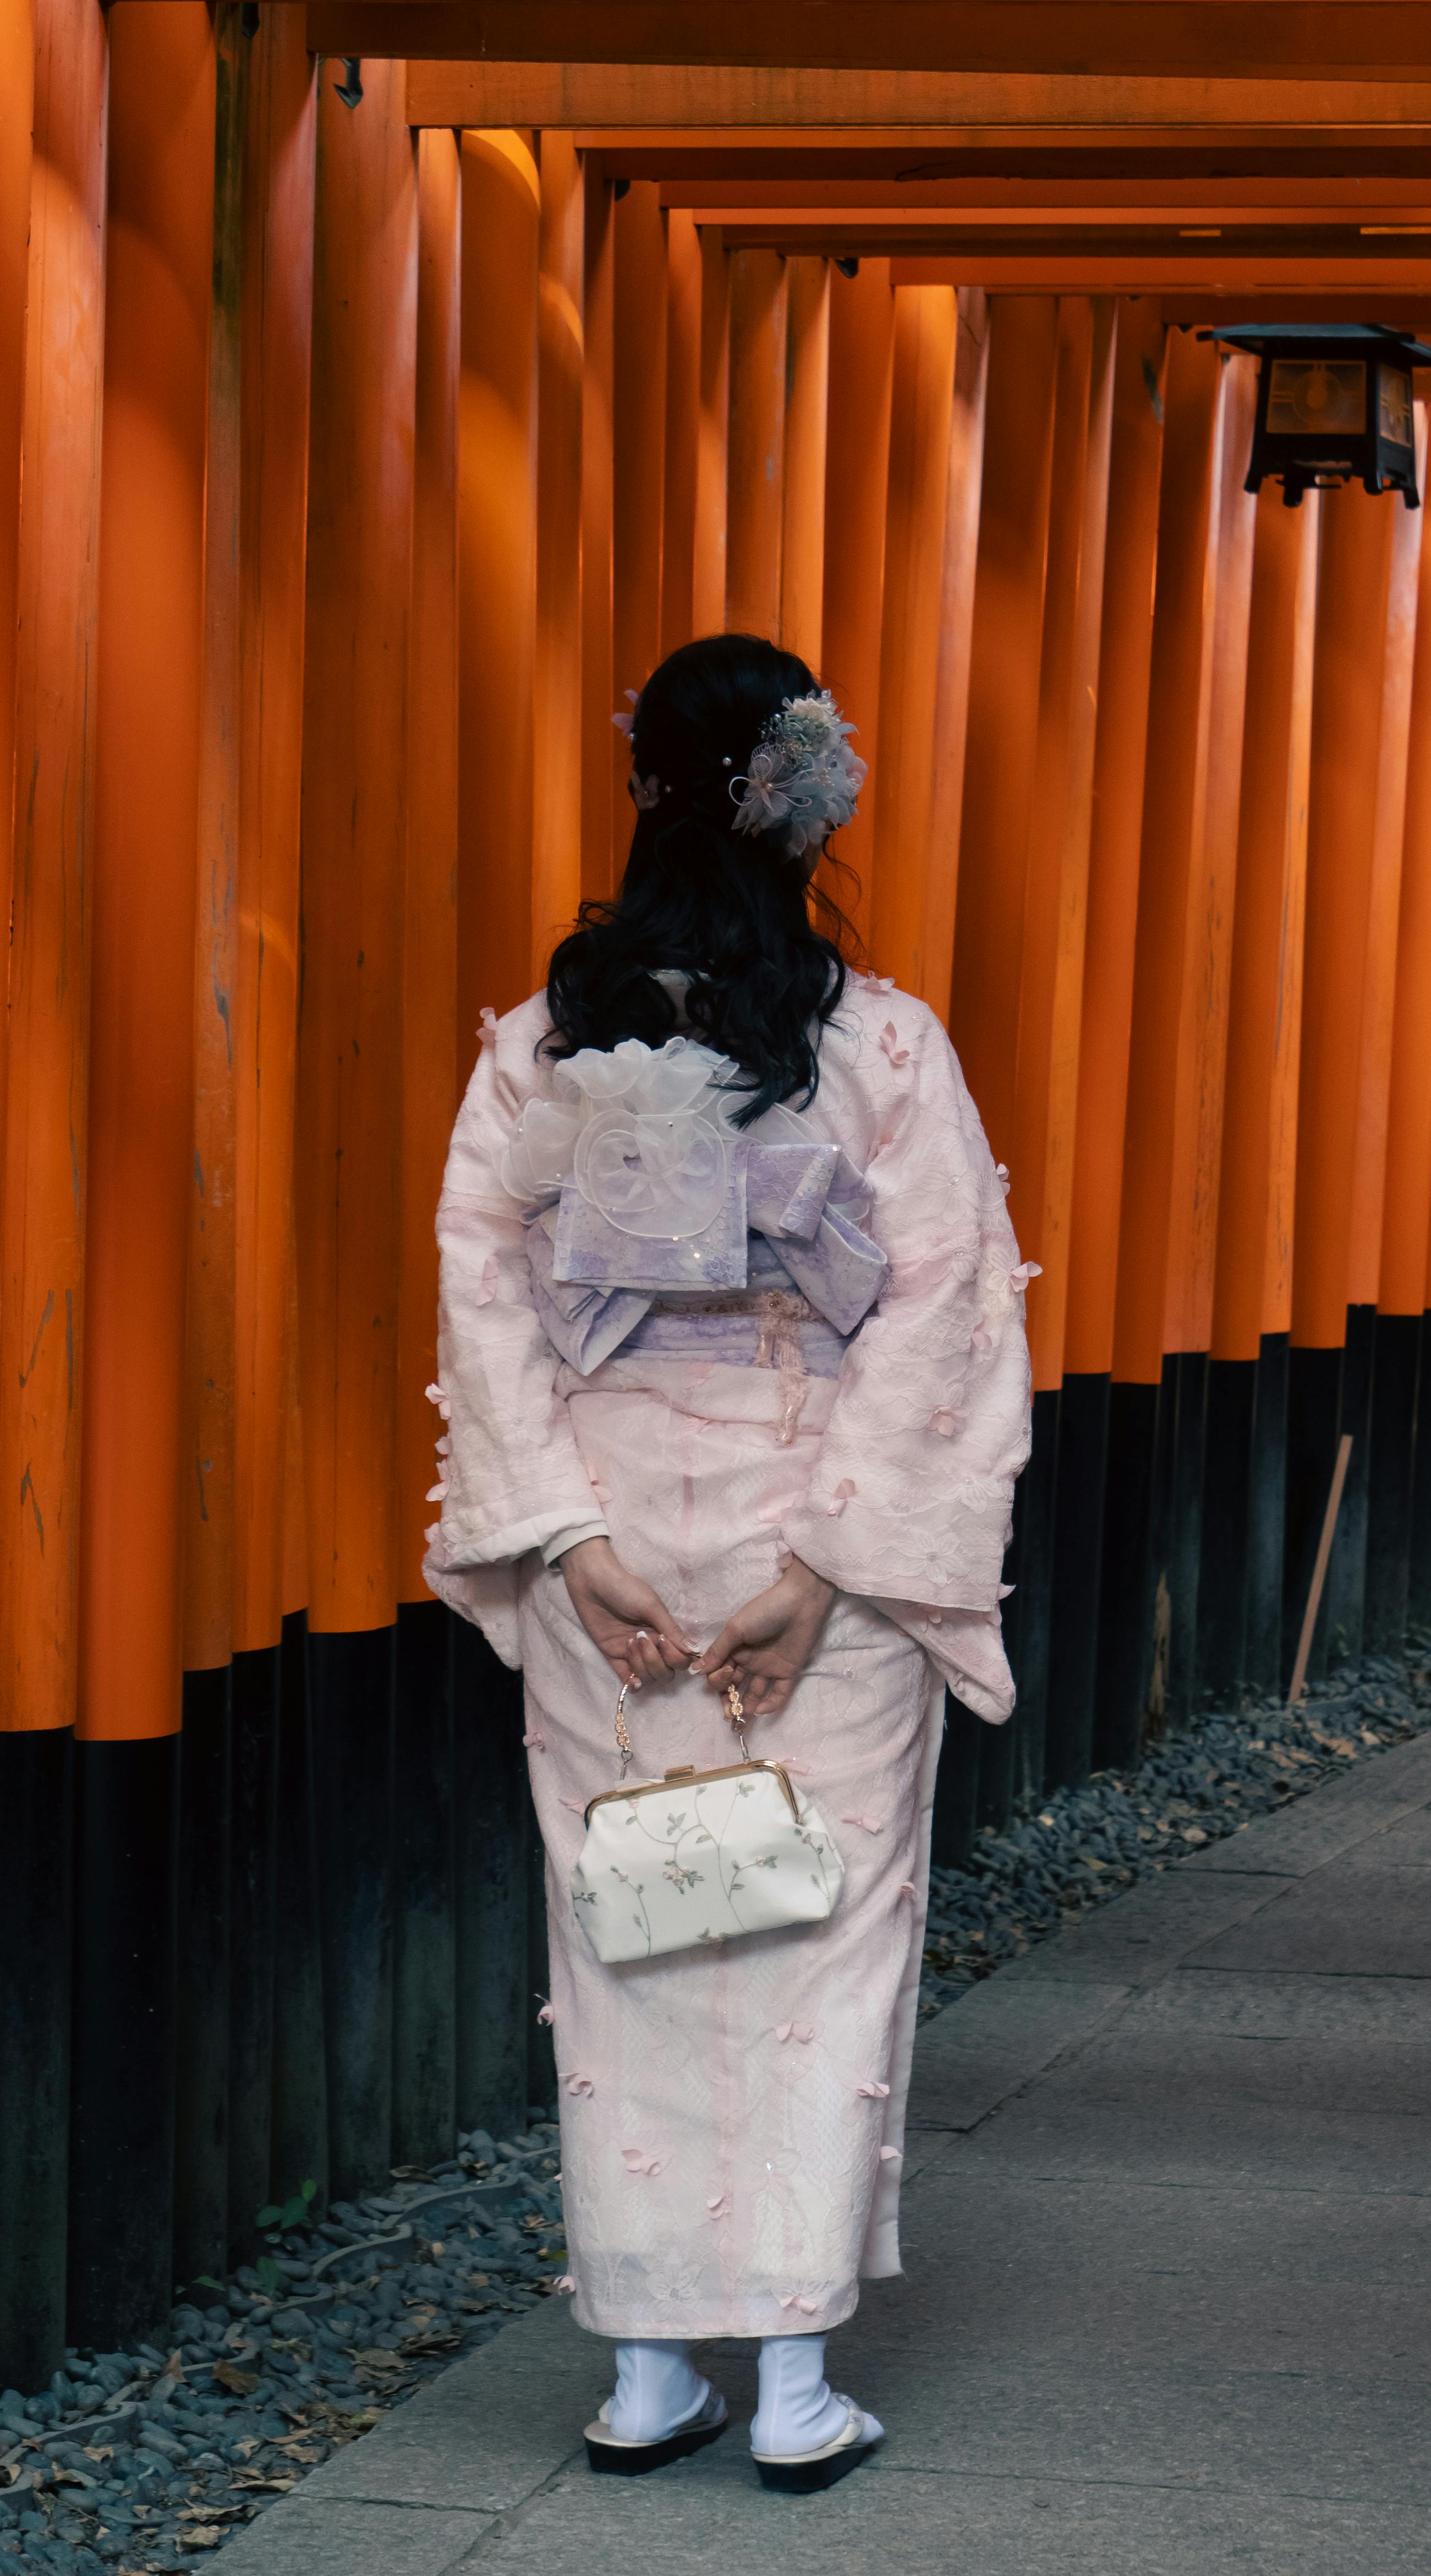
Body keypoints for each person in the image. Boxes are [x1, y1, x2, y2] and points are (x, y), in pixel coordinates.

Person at [424, 635, 1032, 2490]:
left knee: (636, 1923)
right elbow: (942, 1309)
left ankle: (641, 2373)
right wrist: (830, 1565)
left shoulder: (544, 1043)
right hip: (808, 1542)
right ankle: (787, 2385)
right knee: (810, 1933)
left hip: (610, 1540)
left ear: (643, 789)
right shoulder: (877, 1044)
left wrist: (564, 1536)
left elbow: (483, 1288)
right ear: (807, 801)